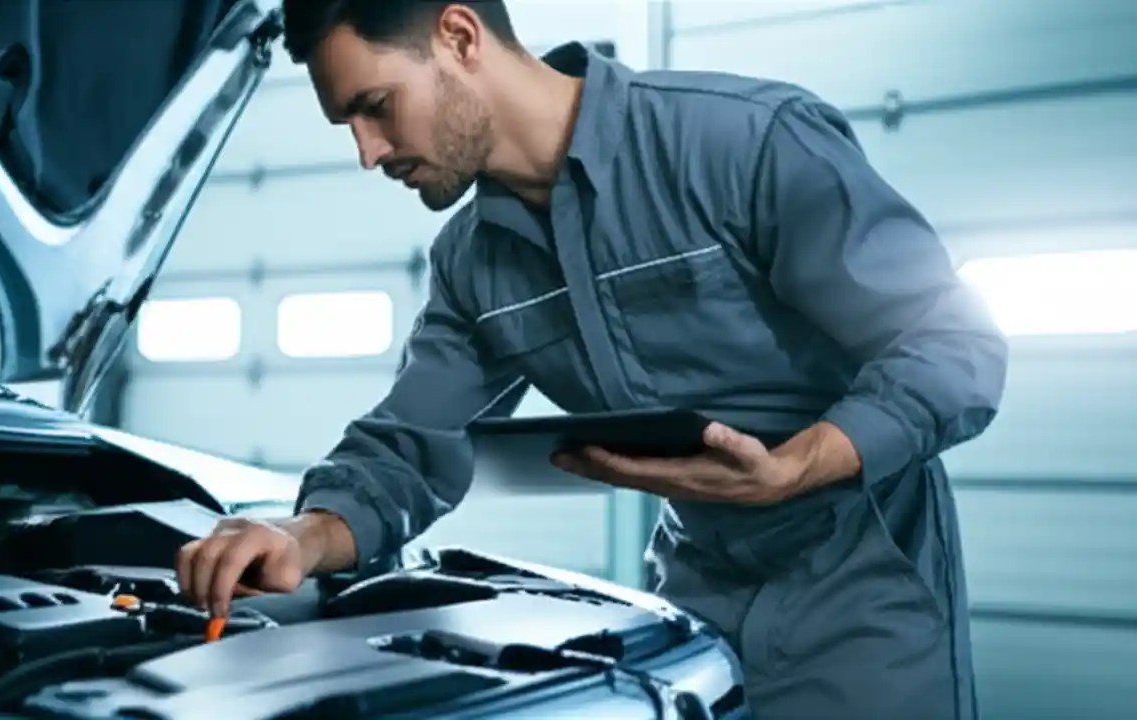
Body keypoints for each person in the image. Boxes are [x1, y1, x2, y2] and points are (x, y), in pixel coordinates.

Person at [176, 2, 1009, 717]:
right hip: (690, 612)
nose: (366, 151)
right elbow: (408, 444)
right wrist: (302, 534)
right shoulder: (473, 262)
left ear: (461, 36)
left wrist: (798, 466)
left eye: (376, 106)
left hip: (861, 600)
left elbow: (951, 342)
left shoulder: (746, 143)